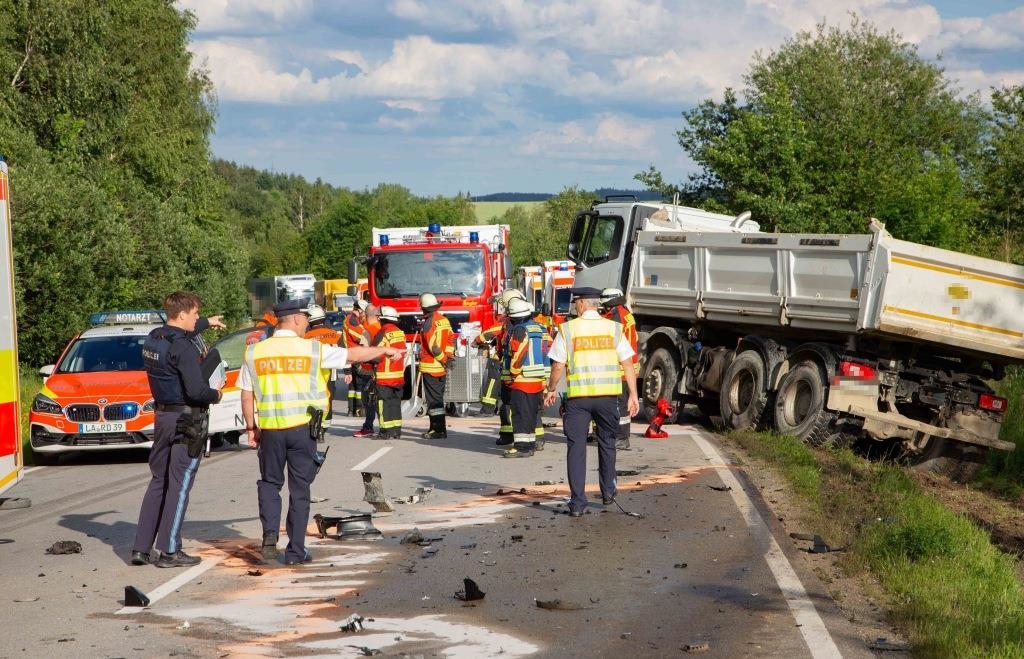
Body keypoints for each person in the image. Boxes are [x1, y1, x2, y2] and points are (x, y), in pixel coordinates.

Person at [239, 300, 403, 565]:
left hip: (270, 430)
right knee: (299, 489)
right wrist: (384, 350)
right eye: (304, 319)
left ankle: (270, 536)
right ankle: (295, 552)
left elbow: (247, 395)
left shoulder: (254, 352)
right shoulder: (312, 350)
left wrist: (250, 428)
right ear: (293, 320)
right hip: (302, 430)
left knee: (270, 484)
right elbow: (353, 355)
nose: (306, 324)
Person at [132, 291, 225, 568]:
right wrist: (216, 395)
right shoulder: (183, 348)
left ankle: (141, 548)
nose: (197, 317)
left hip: (162, 418)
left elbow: (179, 332)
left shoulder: (154, 338)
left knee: (158, 480)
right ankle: (170, 551)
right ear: (182, 314)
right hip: (187, 421)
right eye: (195, 313)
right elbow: (196, 391)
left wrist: (207, 322)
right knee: (180, 485)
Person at [543, 287, 639, 517]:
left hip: (579, 400)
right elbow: (627, 363)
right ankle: (608, 494)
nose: (575, 306)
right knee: (607, 444)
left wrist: (551, 389)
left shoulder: (567, 329)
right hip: (608, 398)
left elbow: (557, 365)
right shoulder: (613, 328)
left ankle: (577, 503)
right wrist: (634, 395)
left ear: (584, 303)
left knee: (576, 448)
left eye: (576, 302)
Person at [501, 297, 551, 458]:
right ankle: (529, 445)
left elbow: (518, 353)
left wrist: (513, 372)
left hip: (522, 380)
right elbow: (545, 352)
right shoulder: (538, 328)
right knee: (530, 414)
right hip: (537, 379)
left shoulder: (519, 330)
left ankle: (522, 447)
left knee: (520, 414)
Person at [601, 288, 639, 450]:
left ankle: (622, 438)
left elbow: (611, 341)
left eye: (606, 306)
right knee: (620, 403)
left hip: (620, 367)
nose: (604, 309)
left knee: (620, 405)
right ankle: (619, 435)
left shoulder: (617, 317)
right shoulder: (626, 313)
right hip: (628, 364)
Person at [418, 292, 454, 439]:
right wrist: (448, 358)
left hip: (432, 367)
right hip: (442, 368)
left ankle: (437, 430)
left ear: (424, 308)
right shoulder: (444, 320)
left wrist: (443, 359)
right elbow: (450, 339)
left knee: (434, 401)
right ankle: (438, 428)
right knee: (438, 398)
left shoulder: (429, 322)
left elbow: (433, 347)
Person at [371, 305, 407, 439]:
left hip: (384, 376)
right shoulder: (400, 332)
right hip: (398, 376)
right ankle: (396, 430)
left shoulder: (383, 333)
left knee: (383, 404)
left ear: (382, 319)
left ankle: (385, 432)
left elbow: (375, 353)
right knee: (395, 404)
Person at [303, 304, 342, 424]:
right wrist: (348, 372)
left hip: (311, 374)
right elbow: (343, 352)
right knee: (328, 398)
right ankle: (325, 425)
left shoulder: (306, 337)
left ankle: (314, 423)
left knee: (312, 398)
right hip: (331, 373)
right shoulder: (334, 334)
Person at [353, 304, 381, 437]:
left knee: (369, 399)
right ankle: (384, 426)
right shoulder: (382, 328)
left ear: (366, 314)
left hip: (367, 370)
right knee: (379, 399)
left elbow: (362, 351)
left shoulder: (367, 331)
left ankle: (368, 427)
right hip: (381, 369)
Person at [342, 299, 369, 416]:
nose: (364, 315)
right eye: (363, 312)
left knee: (353, 386)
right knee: (359, 385)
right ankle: (359, 409)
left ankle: (351, 409)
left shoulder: (351, 319)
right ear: (358, 309)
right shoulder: (352, 321)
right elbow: (362, 338)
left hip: (351, 356)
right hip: (355, 357)